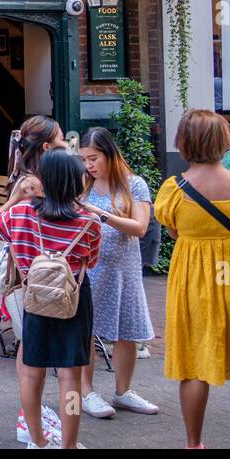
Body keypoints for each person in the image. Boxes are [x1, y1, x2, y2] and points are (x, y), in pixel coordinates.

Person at [155, 109, 230, 449]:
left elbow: (174, 230)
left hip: (193, 279)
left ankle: (194, 444)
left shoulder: (173, 189)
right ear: (223, 141)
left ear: (184, 142)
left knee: (192, 367)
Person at [0, 150, 101, 449]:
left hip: (33, 299)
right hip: (72, 301)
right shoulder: (89, 222)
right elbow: (93, 260)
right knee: (70, 379)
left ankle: (37, 439)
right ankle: (69, 445)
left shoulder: (20, 214)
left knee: (31, 373)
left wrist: (13, 198)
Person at [77, 127, 158, 419]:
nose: (89, 165)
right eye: (85, 159)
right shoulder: (83, 185)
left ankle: (123, 391)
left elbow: (140, 227)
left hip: (125, 267)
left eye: (94, 158)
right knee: (86, 328)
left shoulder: (133, 184)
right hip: (92, 267)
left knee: (127, 329)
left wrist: (99, 214)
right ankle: (86, 392)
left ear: (109, 153)